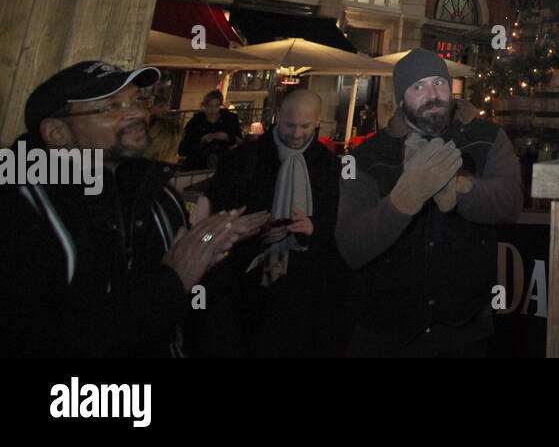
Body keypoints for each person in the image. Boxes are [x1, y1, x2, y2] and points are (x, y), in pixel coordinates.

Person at [0, 61, 267, 356]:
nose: (139, 113)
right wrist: (173, 278)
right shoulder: (21, 210)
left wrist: (213, 252)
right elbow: (40, 337)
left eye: (138, 100)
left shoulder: (158, 197)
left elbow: (192, 308)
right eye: (111, 107)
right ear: (57, 133)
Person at [336, 49, 523, 356]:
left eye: (439, 82)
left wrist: (459, 188)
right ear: (401, 98)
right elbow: (351, 247)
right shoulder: (367, 157)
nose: (432, 95)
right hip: (385, 332)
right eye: (418, 87)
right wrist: (401, 201)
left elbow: (510, 205)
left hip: (464, 330)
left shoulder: (486, 137)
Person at [195, 88, 343, 356]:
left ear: (318, 123)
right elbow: (211, 219)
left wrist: (311, 228)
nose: (296, 133)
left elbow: (333, 222)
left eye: (305, 126)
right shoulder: (243, 158)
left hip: (302, 283)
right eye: (289, 125)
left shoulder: (328, 165)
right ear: (277, 116)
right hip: (243, 277)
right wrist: (249, 228)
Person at [178, 90, 243, 170]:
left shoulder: (229, 119)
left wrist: (227, 137)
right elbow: (183, 149)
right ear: (205, 106)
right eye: (209, 106)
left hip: (223, 161)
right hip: (199, 162)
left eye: (216, 106)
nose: (212, 110)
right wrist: (201, 141)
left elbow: (241, 142)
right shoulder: (196, 121)